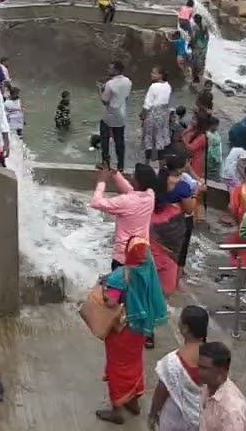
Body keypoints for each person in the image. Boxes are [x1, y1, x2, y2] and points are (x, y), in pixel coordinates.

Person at [95, 237, 167, 424]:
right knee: (134, 364)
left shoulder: (121, 274)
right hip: (141, 329)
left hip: (123, 329)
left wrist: (103, 291)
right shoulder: (149, 272)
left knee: (117, 367)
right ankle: (133, 401)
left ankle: (117, 410)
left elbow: (111, 302)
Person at [144, 157, 198, 295]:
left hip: (154, 240)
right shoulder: (182, 189)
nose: (174, 184)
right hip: (170, 241)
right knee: (174, 260)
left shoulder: (152, 191)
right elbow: (189, 210)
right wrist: (197, 194)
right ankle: (174, 283)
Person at [149, 305, 209, 431]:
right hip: (203, 420)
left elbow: (161, 392)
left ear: (185, 328)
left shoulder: (172, 361)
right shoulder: (214, 357)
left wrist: (153, 415)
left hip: (176, 418)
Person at [91, 164, 156, 271]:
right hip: (141, 253)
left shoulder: (125, 201)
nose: (131, 176)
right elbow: (130, 190)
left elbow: (96, 202)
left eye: (133, 175)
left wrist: (102, 181)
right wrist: (115, 173)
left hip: (123, 258)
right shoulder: (150, 195)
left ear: (137, 181)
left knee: (120, 286)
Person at [197, 342, 246, 431]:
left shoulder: (231, 411)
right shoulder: (208, 385)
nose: (198, 371)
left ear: (221, 371)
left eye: (203, 368)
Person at [98, 61, 133, 170]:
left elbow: (104, 101)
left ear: (116, 70)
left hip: (110, 115)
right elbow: (125, 97)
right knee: (120, 141)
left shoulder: (110, 84)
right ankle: (121, 165)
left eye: (110, 68)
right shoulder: (128, 81)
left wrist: (99, 90)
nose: (108, 70)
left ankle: (105, 162)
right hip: (121, 114)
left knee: (105, 139)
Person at [189, 14, 210, 84]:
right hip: (203, 46)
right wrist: (205, 44)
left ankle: (195, 78)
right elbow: (207, 37)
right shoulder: (205, 26)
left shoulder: (194, 27)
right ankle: (201, 75)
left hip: (196, 46)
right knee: (202, 61)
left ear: (195, 20)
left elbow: (193, 37)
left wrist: (190, 44)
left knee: (194, 62)